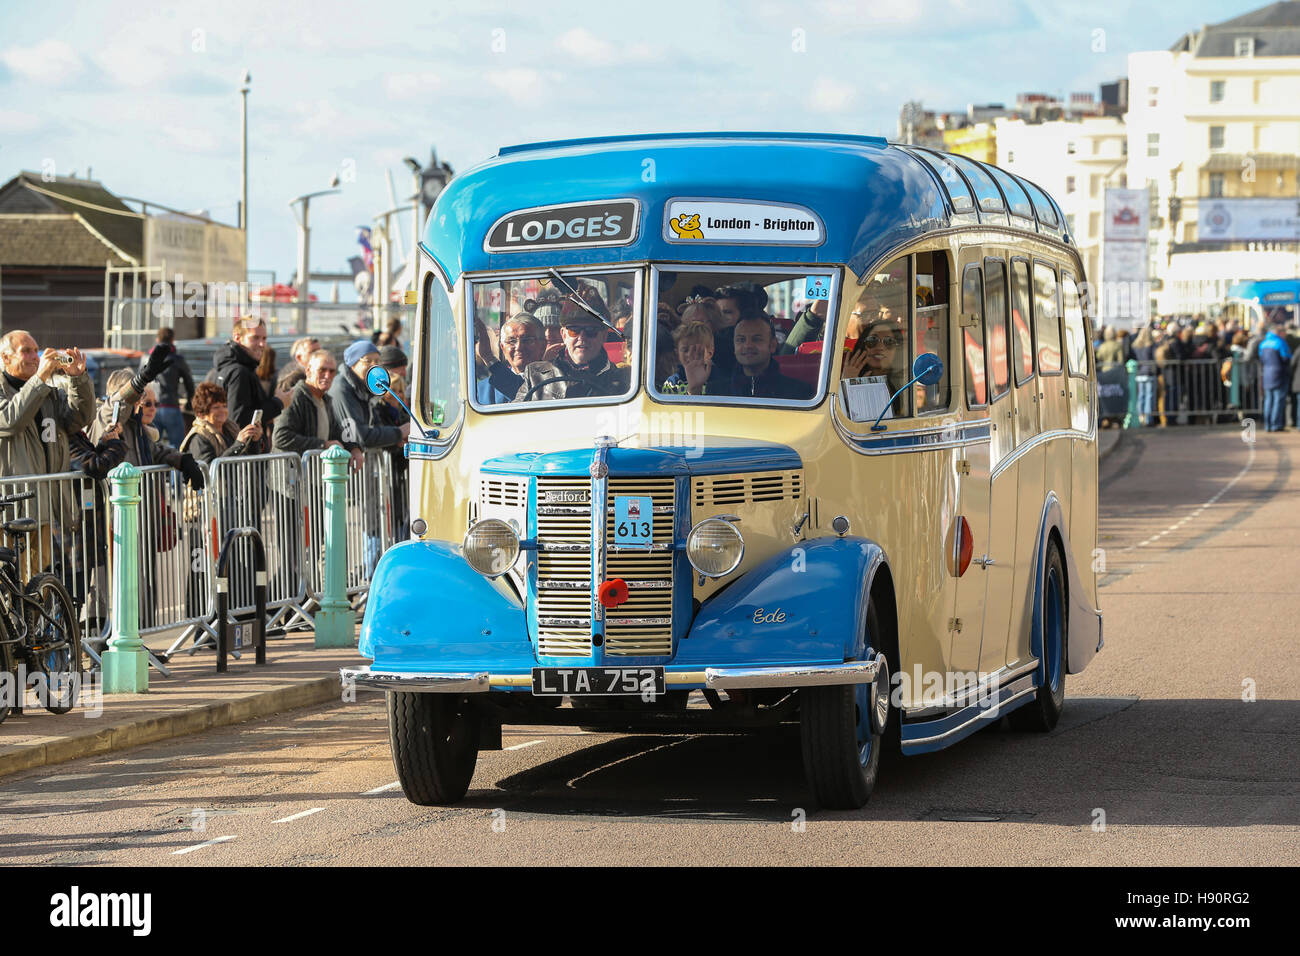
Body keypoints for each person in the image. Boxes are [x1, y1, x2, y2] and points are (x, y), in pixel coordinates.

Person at [0, 331, 95, 582]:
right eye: (26, 351)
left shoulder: (48, 391)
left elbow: (80, 418)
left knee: (36, 584)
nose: (35, 356)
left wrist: (78, 379)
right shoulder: (10, 389)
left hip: (41, 509)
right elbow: (10, 421)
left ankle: (33, 622)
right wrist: (41, 377)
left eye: (36, 350)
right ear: (5, 357)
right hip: (9, 510)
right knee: (10, 584)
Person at [514, 305, 630, 402]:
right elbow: (516, 417)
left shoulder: (622, 380)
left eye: (591, 331)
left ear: (604, 336)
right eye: (574, 330)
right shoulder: (535, 375)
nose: (582, 337)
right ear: (564, 335)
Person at [213, 317, 291, 453]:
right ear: (238, 338)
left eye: (264, 338)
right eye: (255, 338)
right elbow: (239, 419)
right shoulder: (239, 372)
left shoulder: (238, 368)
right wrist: (278, 403)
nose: (261, 344)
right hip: (243, 459)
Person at [330, 340, 410, 448]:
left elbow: (377, 427)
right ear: (353, 364)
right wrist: (399, 432)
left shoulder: (364, 390)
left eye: (377, 361)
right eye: (368, 361)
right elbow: (360, 436)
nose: (373, 366)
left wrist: (395, 441)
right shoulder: (342, 389)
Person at [714, 315, 810, 400]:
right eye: (741, 340)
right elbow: (700, 418)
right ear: (734, 346)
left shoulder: (798, 392)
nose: (748, 345)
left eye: (756, 339)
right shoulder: (715, 391)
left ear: (772, 345)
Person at [179, 383, 264, 463]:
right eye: (216, 407)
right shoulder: (198, 438)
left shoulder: (231, 429)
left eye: (224, 406)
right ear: (202, 413)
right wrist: (238, 445)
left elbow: (247, 461)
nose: (222, 411)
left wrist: (254, 441)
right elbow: (208, 471)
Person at [142, 327, 195, 448]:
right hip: (171, 405)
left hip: (150, 406)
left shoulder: (146, 357)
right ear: (172, 340)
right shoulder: (177, 360)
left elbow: (140, 381)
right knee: (179, 446)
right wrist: (188, 403)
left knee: (152, 446)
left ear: (157, 339)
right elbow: (189, 382)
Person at [661, 321, 717, 395]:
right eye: (685, 350)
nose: (689, 354)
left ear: (710, 353)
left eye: (696, 350)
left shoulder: (718, 380)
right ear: (677, 353)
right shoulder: (672, 382)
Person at [1259, 321, 1293, 432]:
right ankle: (1276, 425)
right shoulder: (1280, 342)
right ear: (1279, 332)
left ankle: (1268, 424)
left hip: (1267, 374)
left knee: (1269, 400)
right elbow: (1286, 357)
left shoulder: (1263, 343)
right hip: (1279, 374)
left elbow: (1261, 358)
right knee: (1278, 400)